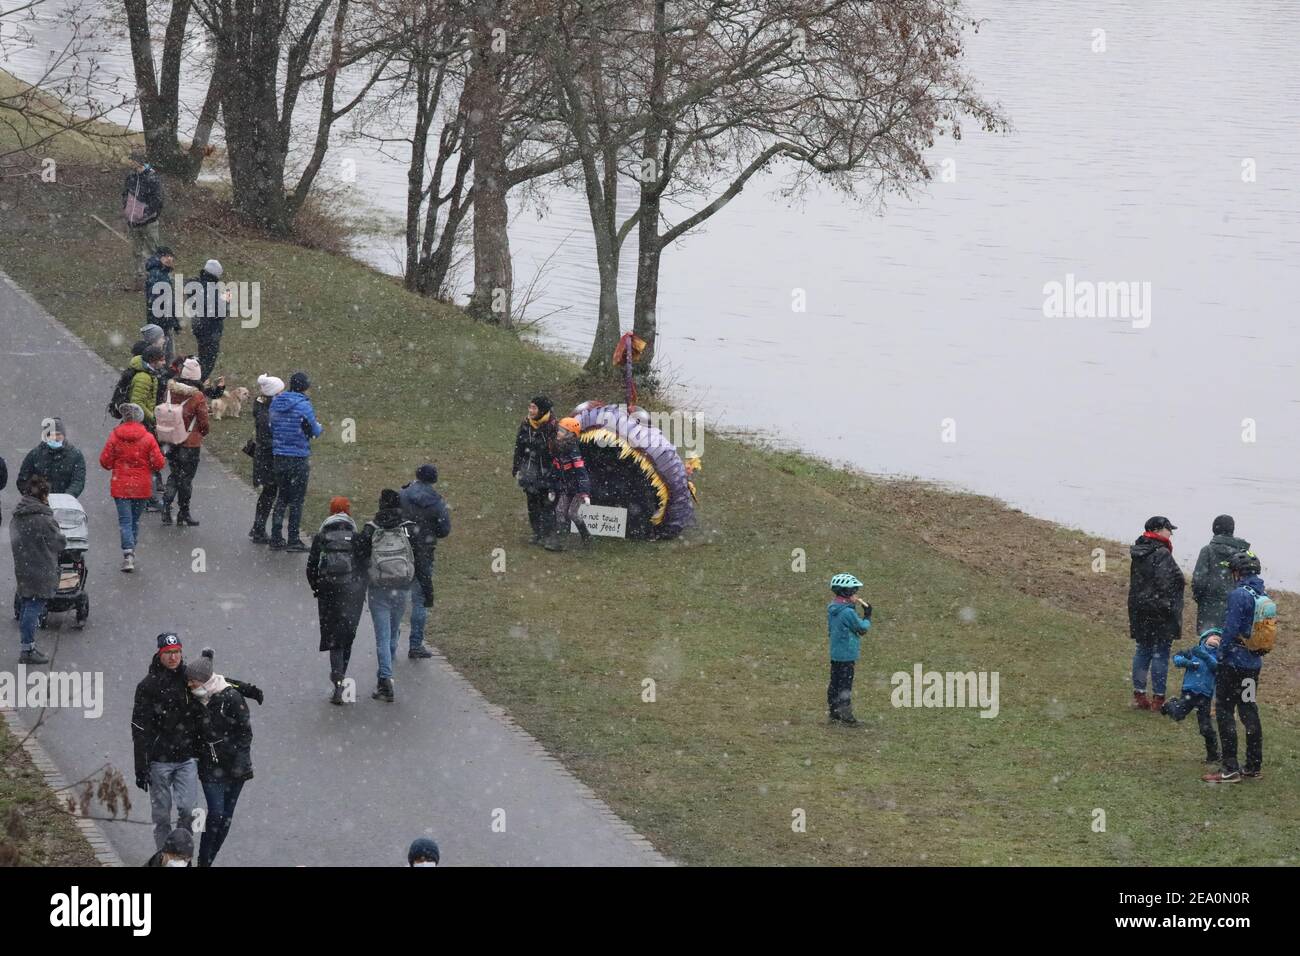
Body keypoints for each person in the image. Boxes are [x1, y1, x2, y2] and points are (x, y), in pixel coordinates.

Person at [1203, 551, 1272, 783]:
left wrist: (1220, 654)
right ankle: (1253, 766)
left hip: (1233, 664)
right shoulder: (1264, 594)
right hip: (1253, 665)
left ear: (1236, 572)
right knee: (1249, 710)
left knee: (1224, 711)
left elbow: (1231, 630)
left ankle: (1230, 768)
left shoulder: (1238, 595)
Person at [132, 633, 202, 851]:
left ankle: (182, 854)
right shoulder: (147, 686)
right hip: (158, 761)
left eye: (176, 652)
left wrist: (247, 689)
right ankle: (164, 857)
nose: (173, 657)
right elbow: (139, 728)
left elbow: (217, 684)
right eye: (168, 653)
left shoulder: (190, 678)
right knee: (162, 815)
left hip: (186, 758)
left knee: (189, 810)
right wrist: (141, 766)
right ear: (159, 654)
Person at [186, 648, 253, 867]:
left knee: (225, 820)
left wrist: (240, 764)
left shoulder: (230, 698)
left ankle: (207, 861)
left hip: (235, 769)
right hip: (209, 767)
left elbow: (245, 733)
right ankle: (203, 861)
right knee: (215, 814)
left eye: (193, 682)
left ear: (204, 681)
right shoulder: (194, 699)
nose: (189, 685)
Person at [355, 489, 418, 703]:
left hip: (378, 588)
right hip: (402, 586)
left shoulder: (371, 529)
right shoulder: (408, 528)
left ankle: (385, 679)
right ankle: (387, 669)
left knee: (382, 635)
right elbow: (417, 556)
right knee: (393, 630)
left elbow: (361, 558)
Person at [306, 497, 368, 704]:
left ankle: (337, 678)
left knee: (333, 637)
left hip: (327, 591)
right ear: (348, 513)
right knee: (347, 634)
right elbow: (363, 566)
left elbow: (311, 567)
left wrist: (317, 587)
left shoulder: (322, 536)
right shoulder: (356, 536)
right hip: (351, 593)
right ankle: (342, 675)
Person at [99, 403, 166, 573]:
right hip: (142, 487)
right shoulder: (148, 438)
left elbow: (105, 462)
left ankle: (127, 553)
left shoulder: (115, 436)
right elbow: (159, 463)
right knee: (135, 520)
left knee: (125, 521)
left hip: (121, 486)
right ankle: (131, 550)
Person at [1127, 516, 1184, 712]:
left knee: (1143, 650)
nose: (1171, 533)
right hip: (1160, 612)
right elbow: (1165, 584)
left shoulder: (1140, 551)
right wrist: (1168, 607)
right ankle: (1158, 698)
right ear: (1159, 530)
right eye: (1169, 529)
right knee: (1160, 653)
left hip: (1140, 609)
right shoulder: (1162, 553)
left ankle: (1139, 693)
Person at [8, 476, 65, 665]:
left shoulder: (18, 516)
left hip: (23, 567)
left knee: (26, 604)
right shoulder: (44, 519)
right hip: (41, 568)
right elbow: (58, 543)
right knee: (33, 607)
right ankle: (28, 648)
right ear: (43, 495)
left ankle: (27, 645)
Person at [399, 464, 451, 659]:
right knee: (419, 600)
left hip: (402, 552)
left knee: (399, 598)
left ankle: (392, 643)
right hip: (424, 554)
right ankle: (416, 644)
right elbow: (444, 530)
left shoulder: (402, 495)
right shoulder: (436, 502)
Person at [268, 371, 323, 552]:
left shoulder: (276, 402)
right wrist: (319, 427)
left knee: (282, 498)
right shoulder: (303, 406)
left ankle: (276, 537)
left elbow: (271, 426)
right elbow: (314, 430)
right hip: (298, 457)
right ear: (305, 387)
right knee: (297, 500)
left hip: (279, 456)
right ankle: (293, 539)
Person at [159, 358, 210, 527]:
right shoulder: (197, 396)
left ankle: (166, 509)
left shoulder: (170, 389)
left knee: (174, 475)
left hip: (171, 440)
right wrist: (202, 432)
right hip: (190, 443)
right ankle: (183, 512)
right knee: (186, 479)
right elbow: (203, 422)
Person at [1160, 628, 1220, 764]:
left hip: (1205, 696)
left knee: (1206, 728)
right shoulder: (1193, 651)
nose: (1217, 638)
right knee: (1178, 714)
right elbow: (1176, 658)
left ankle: (1213, 755)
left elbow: (1216, 668)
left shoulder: (1219, 656)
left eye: (1220, 637)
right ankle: (1169, 704)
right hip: (1189, 691)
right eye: (1213, 635)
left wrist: (1205, 657)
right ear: (1204, 639)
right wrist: (1188, 663)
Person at [1191, 515, 1250, 634]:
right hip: (1236, 606)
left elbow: (1198, 580)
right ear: (1232, 530)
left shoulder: (1207, 550)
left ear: (1214, 529)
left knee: (1209, 643)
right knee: (1231, 643)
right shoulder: (1243, 552)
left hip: (1210, 606)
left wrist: (1199, 597)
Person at [826, 572, 873, 725]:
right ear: (846, 593)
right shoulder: (848, 612)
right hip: (847, 654)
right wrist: (867, 616)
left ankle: (834, 712)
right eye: (853, 591)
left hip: (836, 653)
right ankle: (847, 716)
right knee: (845, 685)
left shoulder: (833, 608)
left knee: (835, 682)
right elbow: (861, 629)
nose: (856, 594)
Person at [511, 396, 557, 545]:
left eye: (534, 408)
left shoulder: (553, 427)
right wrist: (516, 467)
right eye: (530, 407)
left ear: (542, 410)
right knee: (532, 503)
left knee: (547, 505)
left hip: (547, 473)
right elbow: (519, 447)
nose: (530, 411)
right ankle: (537, 532)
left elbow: (557, 452)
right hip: (529, 471)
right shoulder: (525, 424)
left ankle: (549, 535)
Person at [544, 417, 592, 552]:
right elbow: (555, 470)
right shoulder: (557, 447)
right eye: (559, 430)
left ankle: (586, 537)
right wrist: (552, 488)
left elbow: (581, 473)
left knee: (572, 513)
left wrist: (584, 492)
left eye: (562, 431)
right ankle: (558, 541)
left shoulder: (574, 451)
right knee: (559, 511)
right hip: (566, 488)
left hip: (577, 489)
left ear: (570, 435)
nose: (558, 433)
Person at [248, 374, 283, 543]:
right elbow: (266, 439)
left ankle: (258, 527)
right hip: (268, 459)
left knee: (268, 494)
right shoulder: (266, 414)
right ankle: (259, 529)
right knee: (269, 494)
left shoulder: (262, 406)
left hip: (264, 458)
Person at [122, 152, 164, 287]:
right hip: (133, 223)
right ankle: (139, 279)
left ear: (139, 162)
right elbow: (125, 194)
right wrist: (127, 210)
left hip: (149, 223)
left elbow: (157, 200)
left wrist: (146, 213)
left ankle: (157, 278)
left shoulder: (152, 178)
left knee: (153, 250)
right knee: (136, 252)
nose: (130, 163)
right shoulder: (131, 177)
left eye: (132, 160)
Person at [16, 417, 87, 497]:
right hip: (39, 503)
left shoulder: (75, 455)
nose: (55, 438)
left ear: (64, 435)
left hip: (65, 504)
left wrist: (67, 497)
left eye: (58, 434)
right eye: (51, 434)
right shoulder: (34, 454)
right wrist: (37, 496)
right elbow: (23, 480)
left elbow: (78, 481)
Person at [189, 258, 228, 381]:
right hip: (210, 331)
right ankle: (197, 386)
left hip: (200, 328)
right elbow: (219, 312)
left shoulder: (198, 285)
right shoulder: (210, 289)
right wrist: (226, 302)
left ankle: (196, 384)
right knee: (207, 363)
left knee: (203, 358)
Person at [144, 246, 179, 361]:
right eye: (169, 257)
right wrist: (171, 321)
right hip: (162, 322)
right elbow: (162, 302)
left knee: (162, 355)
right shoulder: (159, 276)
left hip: (159, 321)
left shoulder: (158, 273)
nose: (171, 260)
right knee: (164, 356)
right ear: (162, 258)